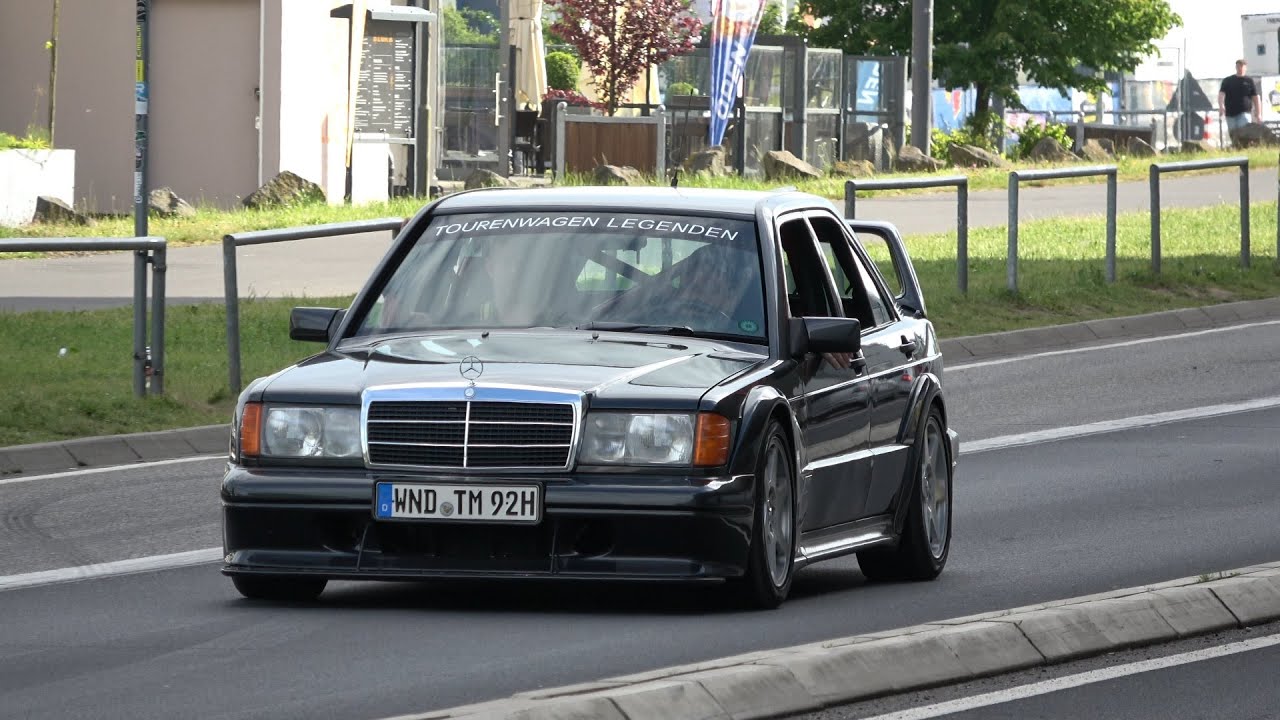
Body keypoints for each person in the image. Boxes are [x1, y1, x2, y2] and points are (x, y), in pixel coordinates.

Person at [1219, 59, 1261, 139]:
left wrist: (1258, 113)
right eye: (1238, 66)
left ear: (1245, 68)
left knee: (1244, 134)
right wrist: (1221, 106)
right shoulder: (1228, 80)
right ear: (1236, 67)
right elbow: (1221, 94)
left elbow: (1256, 98)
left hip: (1244, 112)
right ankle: (1235, 146)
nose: (1240, 68)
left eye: (1242, 66)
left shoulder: (1249, 81)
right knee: (1233, 135)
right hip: (1230, 113)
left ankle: (1243, 145)